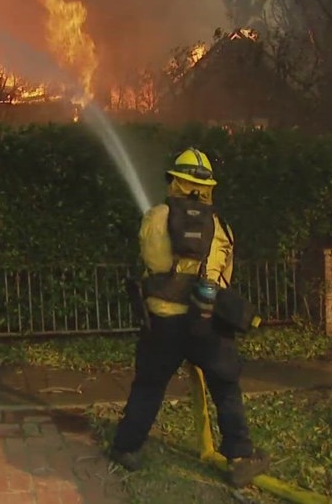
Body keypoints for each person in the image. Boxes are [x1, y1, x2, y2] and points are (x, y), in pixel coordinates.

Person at [108, 147, 270, 488]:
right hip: (207, 320)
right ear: (208, 186)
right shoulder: (220, 227)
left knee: (149, 385)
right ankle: (239, 458)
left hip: (163, 322)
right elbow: (224, 275)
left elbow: (149, 259)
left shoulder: (155, 217)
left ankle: (127, 448)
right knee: (225, 387)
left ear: (175, 182)